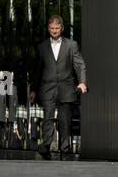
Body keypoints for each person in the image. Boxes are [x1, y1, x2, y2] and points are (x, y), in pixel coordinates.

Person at [36, 14, 86, 160]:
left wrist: (82, 81)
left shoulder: (71, 45)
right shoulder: (42, 47)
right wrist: (34, 89)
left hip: (66, 88)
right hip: (47, 88)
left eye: (57, 28)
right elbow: (38, 70)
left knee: (65, 120)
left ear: (62, 28)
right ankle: (46, 147)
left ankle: (65, 149)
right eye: (52, 28)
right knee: (48, 118)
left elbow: (80, 64)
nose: (54, 31)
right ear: (48, 28)